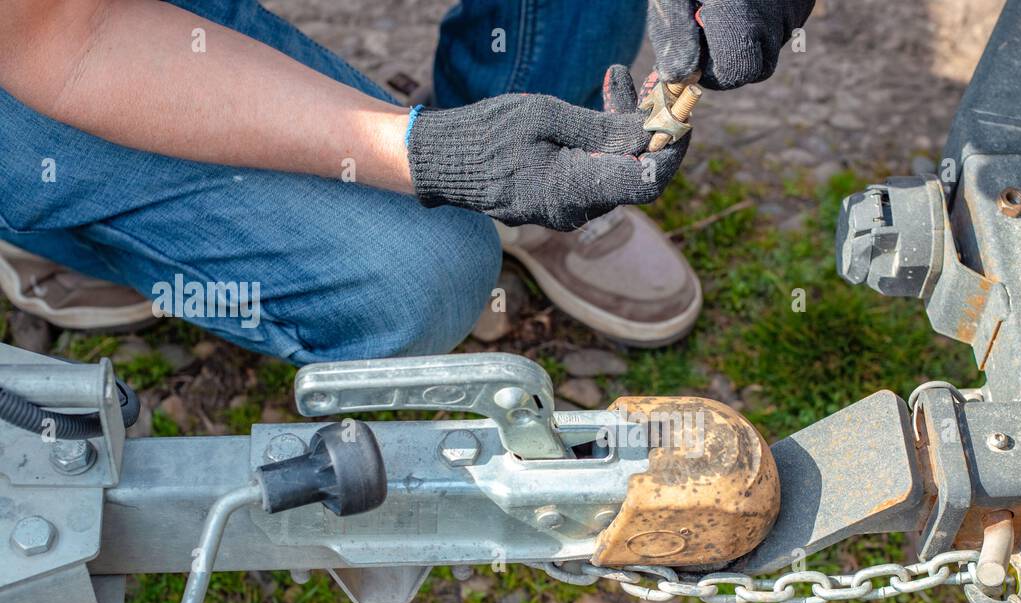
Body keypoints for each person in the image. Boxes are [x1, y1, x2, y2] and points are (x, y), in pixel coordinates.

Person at [0, 0, 814, 361]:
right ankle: (57, 225)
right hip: (50, 36)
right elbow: (71, 36)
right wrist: (428, 155)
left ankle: (535, 145)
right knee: (420, 272)